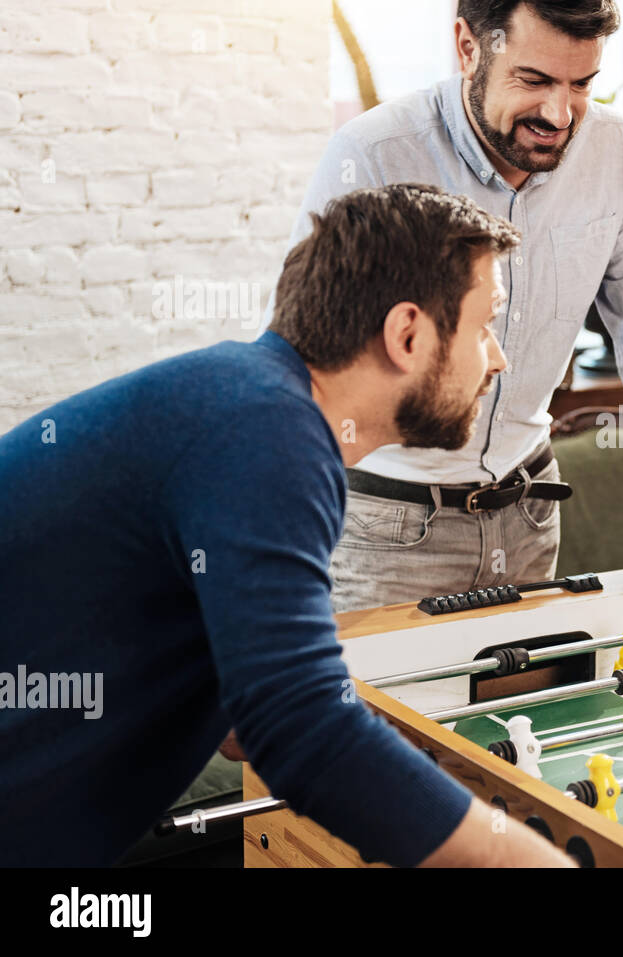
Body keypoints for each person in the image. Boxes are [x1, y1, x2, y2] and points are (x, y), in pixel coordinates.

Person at [0, 184, 571, 866]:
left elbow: (252, 713)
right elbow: (299, 728)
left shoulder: (256, 406)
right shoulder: (268, 433)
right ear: (408, 333)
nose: (497, 359)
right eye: (485, 327)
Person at [270, 0, 623, 612]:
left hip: (531, 512)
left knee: (530, 711)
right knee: (379, 711)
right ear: (468, 47)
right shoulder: (374, 153)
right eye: (533, 81)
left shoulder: (619, 152)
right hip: (385, 530)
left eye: (581, 84)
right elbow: (308, 357)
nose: (559, 114)